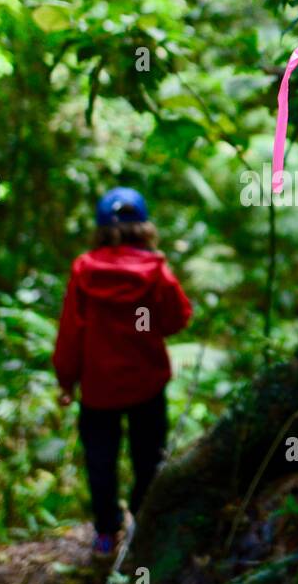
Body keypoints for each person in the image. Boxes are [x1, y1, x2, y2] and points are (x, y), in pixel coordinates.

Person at [53, 187, 193, 557]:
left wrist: (66, 381)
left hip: (99, 387)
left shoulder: (84, 270)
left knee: (101, 461)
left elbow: (71, 331)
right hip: (146, 382)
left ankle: (105, 532)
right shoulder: (156, 270)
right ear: (144, 226)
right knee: (149, 458)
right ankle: (141, 525)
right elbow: (178, 319)